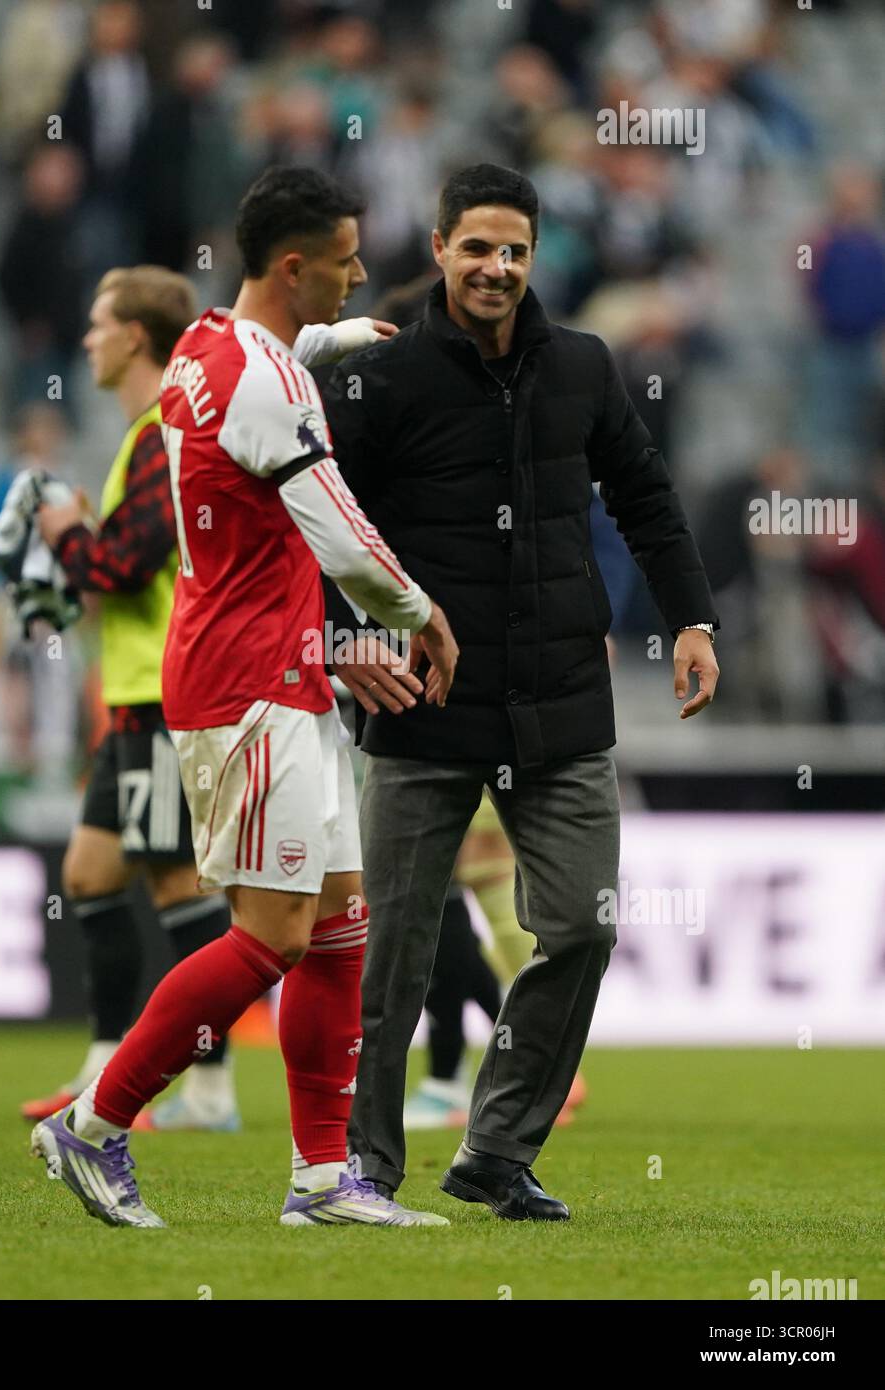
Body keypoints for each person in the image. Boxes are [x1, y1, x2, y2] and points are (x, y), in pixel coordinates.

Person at [30, 166, 459, 1229]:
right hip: (246, 680)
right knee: (269, 935)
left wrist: (342, 338)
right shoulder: (265, 383)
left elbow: (274, 360)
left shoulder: (210, 344)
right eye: (349, 260)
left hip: (284, 671)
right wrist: (420, 613)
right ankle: (92, 1124)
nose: (363, 273)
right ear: (294, 264)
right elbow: (340, 533)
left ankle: (321, 1179)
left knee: (339, 927)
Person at [320, 163, 720, 1221]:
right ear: (442, 249)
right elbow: (315, 522)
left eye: (516, 251)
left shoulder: (584, 366)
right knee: (394, 953)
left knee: (583, 926)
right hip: (421, 705)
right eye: (478, 248)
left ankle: (497, 1149)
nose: (497, 268)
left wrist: (692, 619)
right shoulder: (384, 381)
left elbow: (647, 497)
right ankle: (364, 1169)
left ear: (533, 258)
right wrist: (343, 638)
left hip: (561, 705)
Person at [22, 265, 242, 1132]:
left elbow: (127, 562)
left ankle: (211, 1091)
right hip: (132, 697)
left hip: (162, 693)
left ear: (136, 338)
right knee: (90, 872)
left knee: (176, 884)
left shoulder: (161, 436)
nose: (86, 338)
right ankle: (105, 1065)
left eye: (98, 322)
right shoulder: (140, 437)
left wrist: (70, 535)